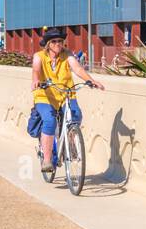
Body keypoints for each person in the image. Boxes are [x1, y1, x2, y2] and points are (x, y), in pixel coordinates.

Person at [32, 27, 105, 174]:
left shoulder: (68, 55)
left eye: (60, 41)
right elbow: (36, 70)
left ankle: (71, 144)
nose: (58, 44)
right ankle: (47, 160)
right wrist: (36, 81)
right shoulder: (39, 56)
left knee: (76, 115)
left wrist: (91, 80)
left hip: (66, 94)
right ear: (48, 44)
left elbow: (77, 69)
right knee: (50, 121)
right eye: (54, 41)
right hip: (45, 95)